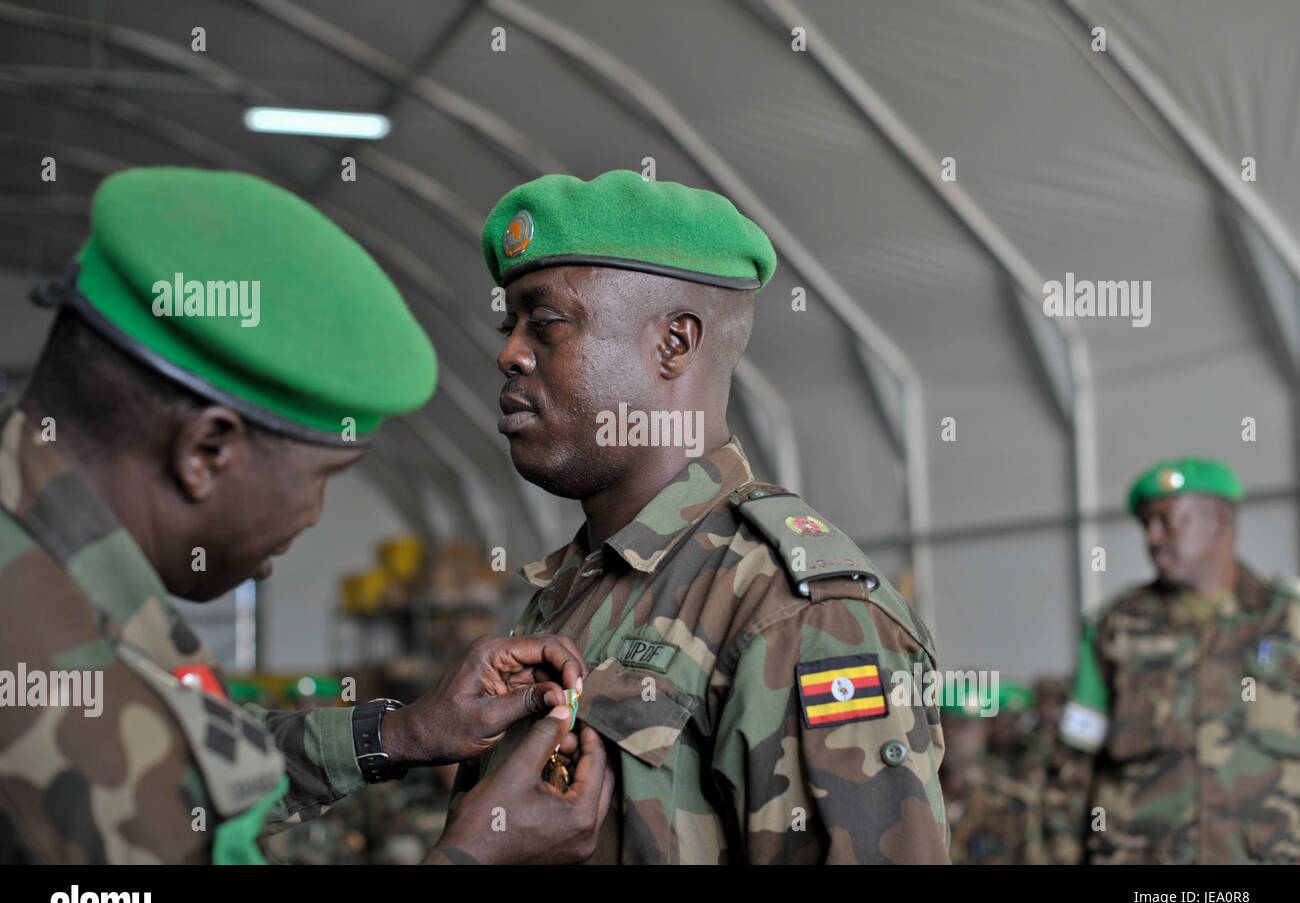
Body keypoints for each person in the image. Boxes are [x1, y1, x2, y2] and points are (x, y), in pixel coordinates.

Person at [0, 167, 611, 864]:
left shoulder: (58, 576)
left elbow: (186, 760)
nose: (314, 517)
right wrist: (473, 854)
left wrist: (401, 734)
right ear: (207, 450)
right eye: (322, 478)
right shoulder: (43, 705)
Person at [451, 170, 949, 864]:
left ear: (675, 342)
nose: (510, 352)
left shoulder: (798, 615)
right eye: (511, 325)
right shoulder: (576, 589)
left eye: (547, 323)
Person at [1044, 457, 1300, 864]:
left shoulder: (1289, 619)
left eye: (1167, 521)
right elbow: (1074, 762)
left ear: (1219, 521)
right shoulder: (1115, 627)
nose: (1152, 538)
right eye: (1146, 525)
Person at [940, 683, 1044, 865]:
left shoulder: (1013, 804)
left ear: (984, 730)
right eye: (944, 724)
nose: (951, 735)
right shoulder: (913, 798)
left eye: (962, 725)